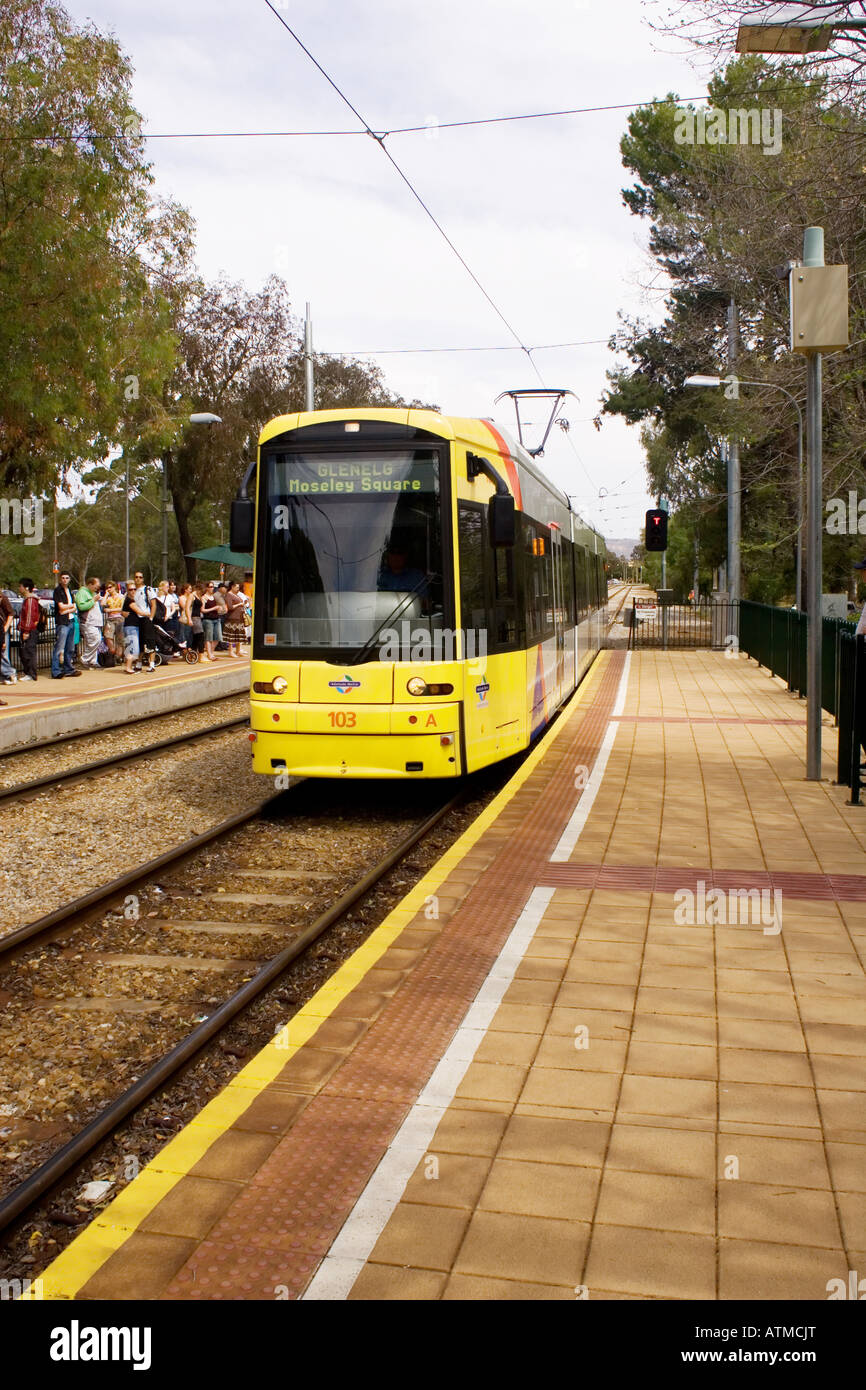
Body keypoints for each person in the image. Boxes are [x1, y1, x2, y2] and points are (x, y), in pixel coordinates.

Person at [51, 571, 80, 678]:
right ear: (60, 579)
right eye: (63, 578)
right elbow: (61, 607)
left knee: (70, 647)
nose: (65, 580)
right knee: (59, 647)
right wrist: (71, 606)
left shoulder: (70, 591)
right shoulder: (58, 590)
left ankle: (68, 669)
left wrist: (68, 608)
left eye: (67, 578)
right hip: (62, 622)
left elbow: (74, 607)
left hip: (71, 620)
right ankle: (55, 671)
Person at [76, 575, 104, 669]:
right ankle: (84, 658)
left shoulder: (92, 593)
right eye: (96, 586)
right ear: (90, 584)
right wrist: (93, 600)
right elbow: (81, 607)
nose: (97, 588)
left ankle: (93, 661)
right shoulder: (82, 593)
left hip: (96, 622)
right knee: (95, 640)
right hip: (88, 622)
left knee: (95, 641)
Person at [17, 578, 41, 682]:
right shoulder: (28, 599)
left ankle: (31, 673)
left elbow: (29, 616)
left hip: (30, 630)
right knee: (24, 651)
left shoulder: (30, 600)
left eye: (20, 586)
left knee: (28, 652)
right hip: (28, 629)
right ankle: (28, 672)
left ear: (26, 588)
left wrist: (26, 631)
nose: (19, 588)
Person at [222, 580, 246, 657]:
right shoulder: (229, 595)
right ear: (232, 587)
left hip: (239, 617)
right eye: (237, 587)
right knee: (231, 636)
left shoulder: (236, 595)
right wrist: (239, 604)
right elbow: (230, 607)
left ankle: (238, 651)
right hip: (232, 617)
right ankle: (230, 651)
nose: (238, 589)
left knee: (238, 635)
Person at [103, 581, 125, 658]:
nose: (108, 589)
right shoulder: (108, 598)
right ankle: (112, 650)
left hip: (120, 618)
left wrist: (110, 610)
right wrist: (106, 595)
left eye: (110, 587)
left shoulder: (121, 596)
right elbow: (102, 604)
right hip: (110, 619)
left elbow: (122, 608)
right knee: (108, 636)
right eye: (107, 588)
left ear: (114, 587)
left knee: (120, 638)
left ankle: (118, 656)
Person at [201, 581, 221, 661]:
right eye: (210, 587)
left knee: (218, 637)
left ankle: (211, 652)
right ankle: (209, 654)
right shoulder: (204, 597)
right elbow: (202, 610)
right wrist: (213, 608)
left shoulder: (214, 597)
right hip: (208, 619)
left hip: (216, 618)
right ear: (207, 588)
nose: (212, 588)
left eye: (213, 587)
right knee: (209, 638)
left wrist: (219, 609)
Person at [0, 589, 16, 685]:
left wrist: (6, 627)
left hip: (2, 629)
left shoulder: (3, 599)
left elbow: (11, 613)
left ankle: (10, 673)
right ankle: (4, 676)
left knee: (3, 653)